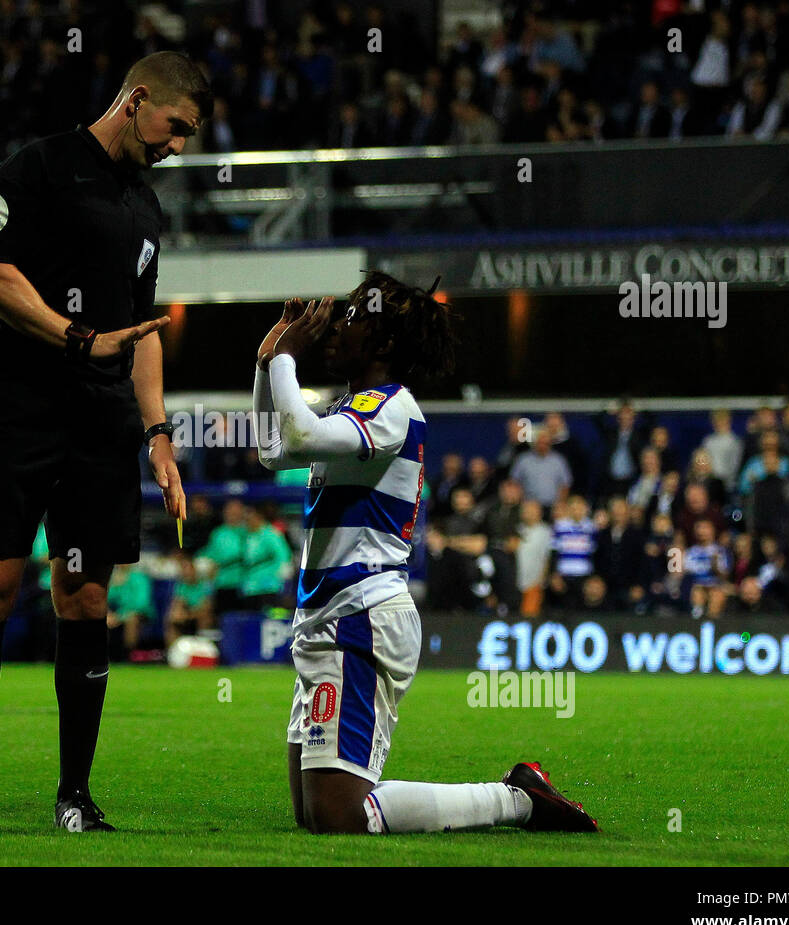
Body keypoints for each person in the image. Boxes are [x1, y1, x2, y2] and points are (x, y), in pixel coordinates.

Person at [0, 52, 210, 833]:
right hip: (20, 405)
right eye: (175, 126)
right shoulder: (35, 169)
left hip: (102, 421)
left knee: (87, 598)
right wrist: (77, 336)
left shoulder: (144, 206)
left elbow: (141, 331)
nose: (177, 146)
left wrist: (160, 434)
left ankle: (75, 797)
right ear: (137, 99)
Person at [254, 274, 597, 836]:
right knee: (314, 813)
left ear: (385, 343)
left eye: (352, 318)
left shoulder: (392, 406)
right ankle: (517, 795)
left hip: (360, 616)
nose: (336, 327)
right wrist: (267, 362)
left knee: (341, 814)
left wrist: (287, 359)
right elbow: (274, 450)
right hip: (327, 618)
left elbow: (298, 437)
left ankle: (518, 799)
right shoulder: (352, 406)